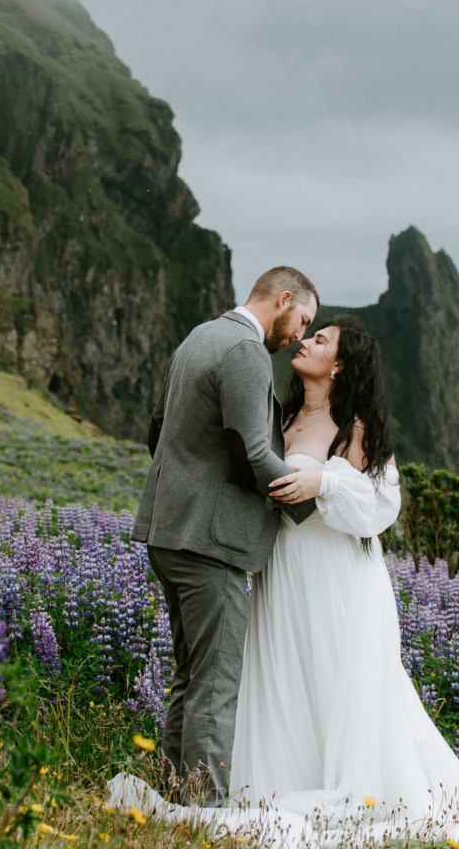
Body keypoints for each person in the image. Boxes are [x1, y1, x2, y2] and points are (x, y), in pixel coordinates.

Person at [114, 316, 459, 849]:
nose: (305, 342)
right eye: (309, 333)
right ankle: (271, 781)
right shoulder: (280, 415)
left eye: (320, 340)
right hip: (280, 565)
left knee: (337, 677)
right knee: (283, 673)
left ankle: (354, 791)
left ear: (341, 364)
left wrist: (322, 479)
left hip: (336, 574)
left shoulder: (356, 425)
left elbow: (381, 505)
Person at [130, 265, 320, 806]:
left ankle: (172, 803)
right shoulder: (245, 351)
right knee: (215, 683)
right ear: (283, 299)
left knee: (191, 676)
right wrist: (314, 510)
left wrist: (189, 490)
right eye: (302, 319)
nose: (300, 335)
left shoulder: (199, 337)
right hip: (208, 543)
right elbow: (254, 451)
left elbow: (157, 432)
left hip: (171, 531)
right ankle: (206, 814)